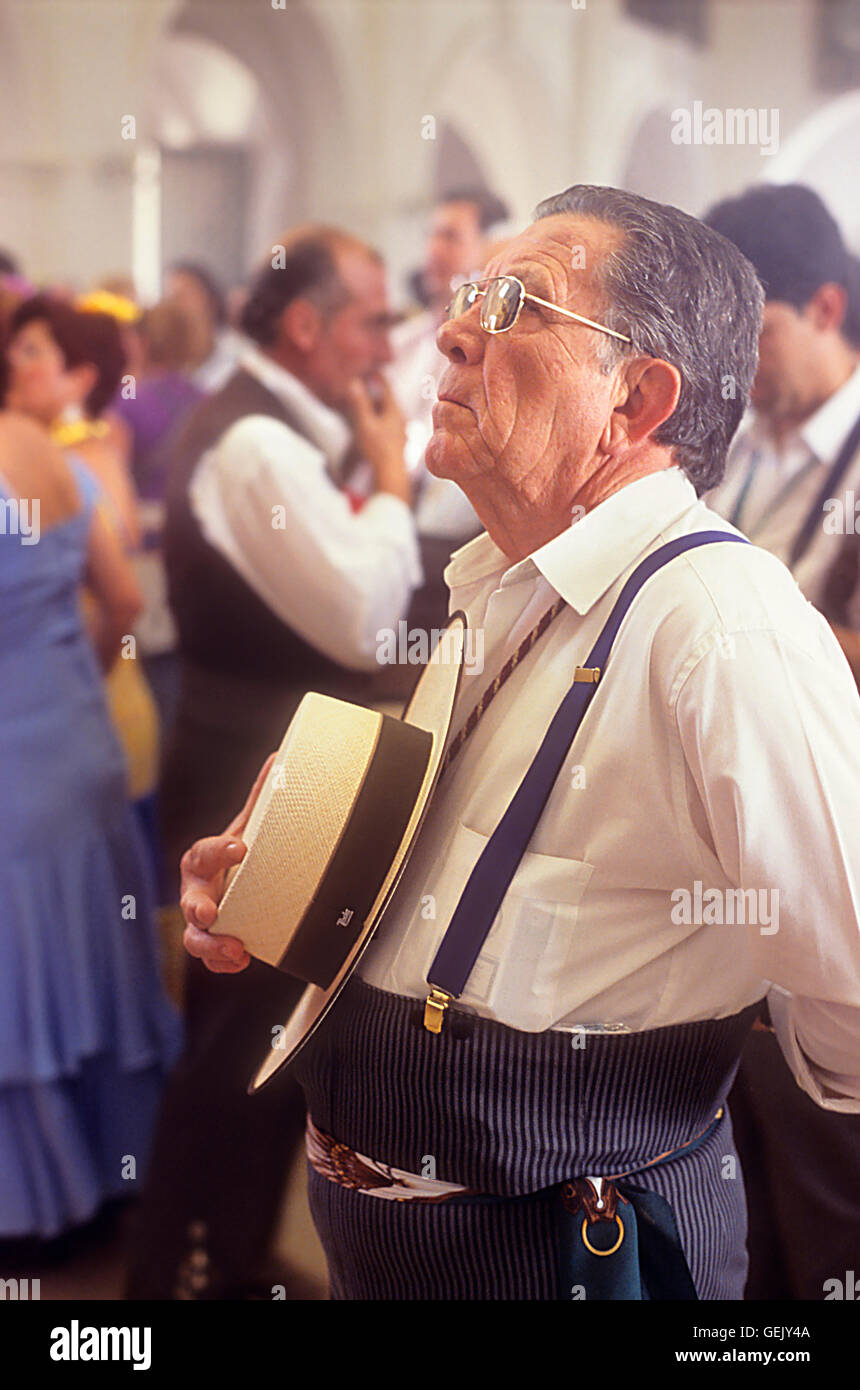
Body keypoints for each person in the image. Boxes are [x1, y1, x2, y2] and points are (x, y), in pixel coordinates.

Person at [179, 184, 860, 1302]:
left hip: (577, 1260)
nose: (451, 328)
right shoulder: (499, 580)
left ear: (633, 400)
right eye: (468, 295)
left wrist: (666, 1093)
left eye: (516, 305)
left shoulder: (719, 624)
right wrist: (284, 884)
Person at [126, 225, 420, 1300]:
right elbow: (356, 616)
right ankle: (165, 1280)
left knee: (259, 1054)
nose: (387, 348)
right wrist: (391, 477)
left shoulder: (283, 427)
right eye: (373, 321)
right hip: (249, 780)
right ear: (306, 327)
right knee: (228, 1059)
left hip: (269, 769)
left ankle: (232, 1263)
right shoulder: (257, 444)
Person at [703, 183, 860, 1301]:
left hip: (830, 864)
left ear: (823, 304)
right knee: (745, 1206)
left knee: (830, 1198)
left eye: (755, 333)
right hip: (733, 876)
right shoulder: (746, 446)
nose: (743, 365)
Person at [0, 410, 180, 1241]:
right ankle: (124, 1170)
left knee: (20, 983)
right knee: (91, 959)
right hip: (77, 747)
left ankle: (38, 1208)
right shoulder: (42, 446)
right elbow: (125, 598)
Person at [5, 296, 162, 880]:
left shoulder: (82, 456)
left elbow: (125, 598)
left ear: (80, 376)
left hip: (96, 692)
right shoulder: (74, 456)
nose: (17, 364)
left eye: (33, 351)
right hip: (79, 708)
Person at [387, 190, 510, 644]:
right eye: (432, 236)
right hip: (394, 527)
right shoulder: (398, 344)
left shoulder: (494, 351)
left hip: (451, 540)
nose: (433, 250)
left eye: (451, 237)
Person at [164, 262, 243, 394]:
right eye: (171, 298)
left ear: (212, 302)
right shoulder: (164, 366)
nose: (175, 306)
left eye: (183, 296)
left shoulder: (240, 360)